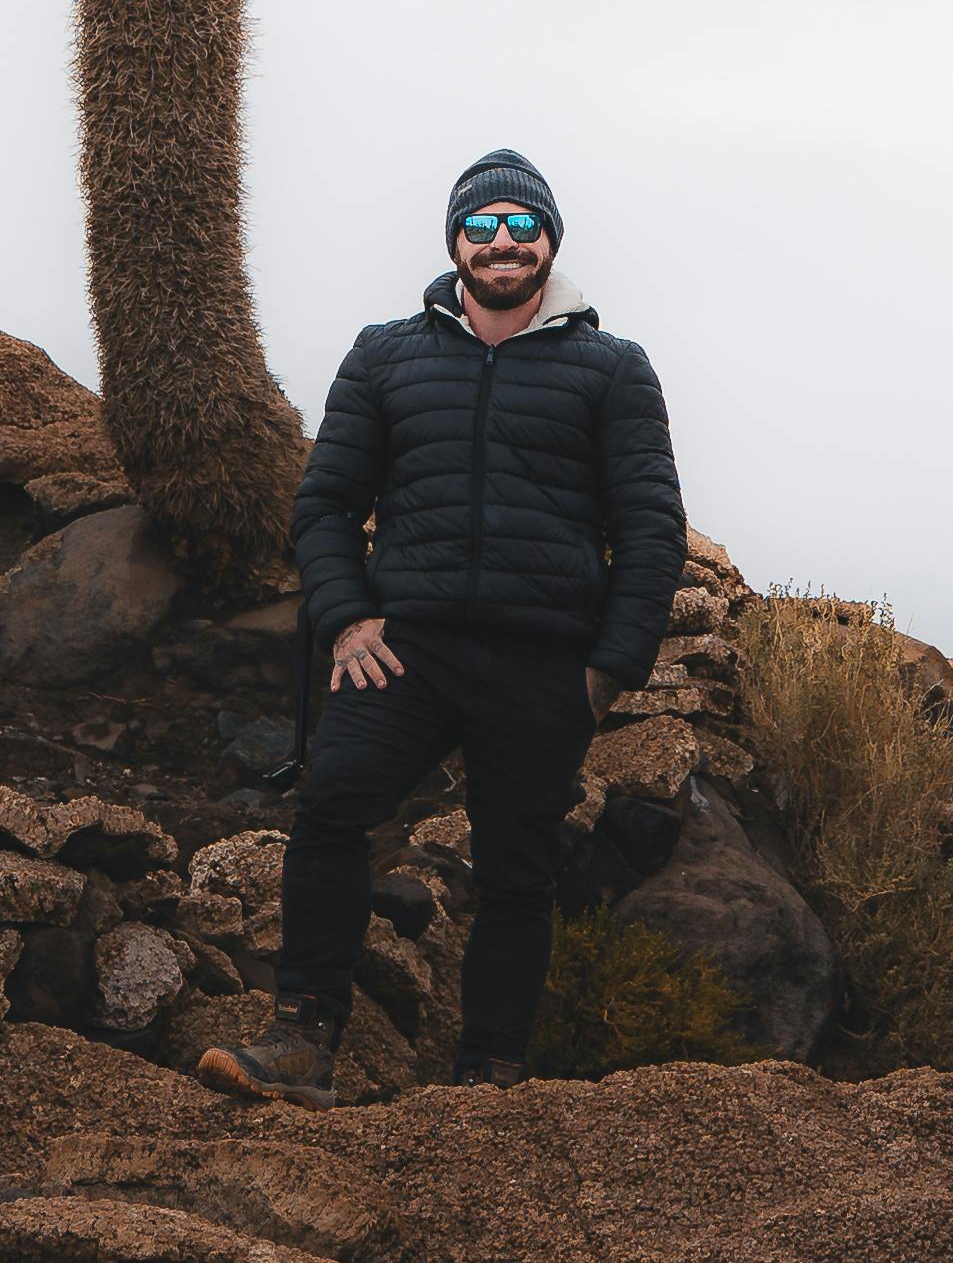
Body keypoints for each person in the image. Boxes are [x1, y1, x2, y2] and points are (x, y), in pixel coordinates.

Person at [199, 146, 687, 1106]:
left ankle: (488, 1082)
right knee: (333, 811)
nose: (501, 243)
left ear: (549, 240)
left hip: (543, 664)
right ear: (455, 241)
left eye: (521, 224)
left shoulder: (611, 367)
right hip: (404, 651)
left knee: (517, 873)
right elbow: (327, 504)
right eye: (481, 224)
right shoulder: (386, 353)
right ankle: (302, 1045)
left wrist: (606, 672)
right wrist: (346, 621)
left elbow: (650, 529)